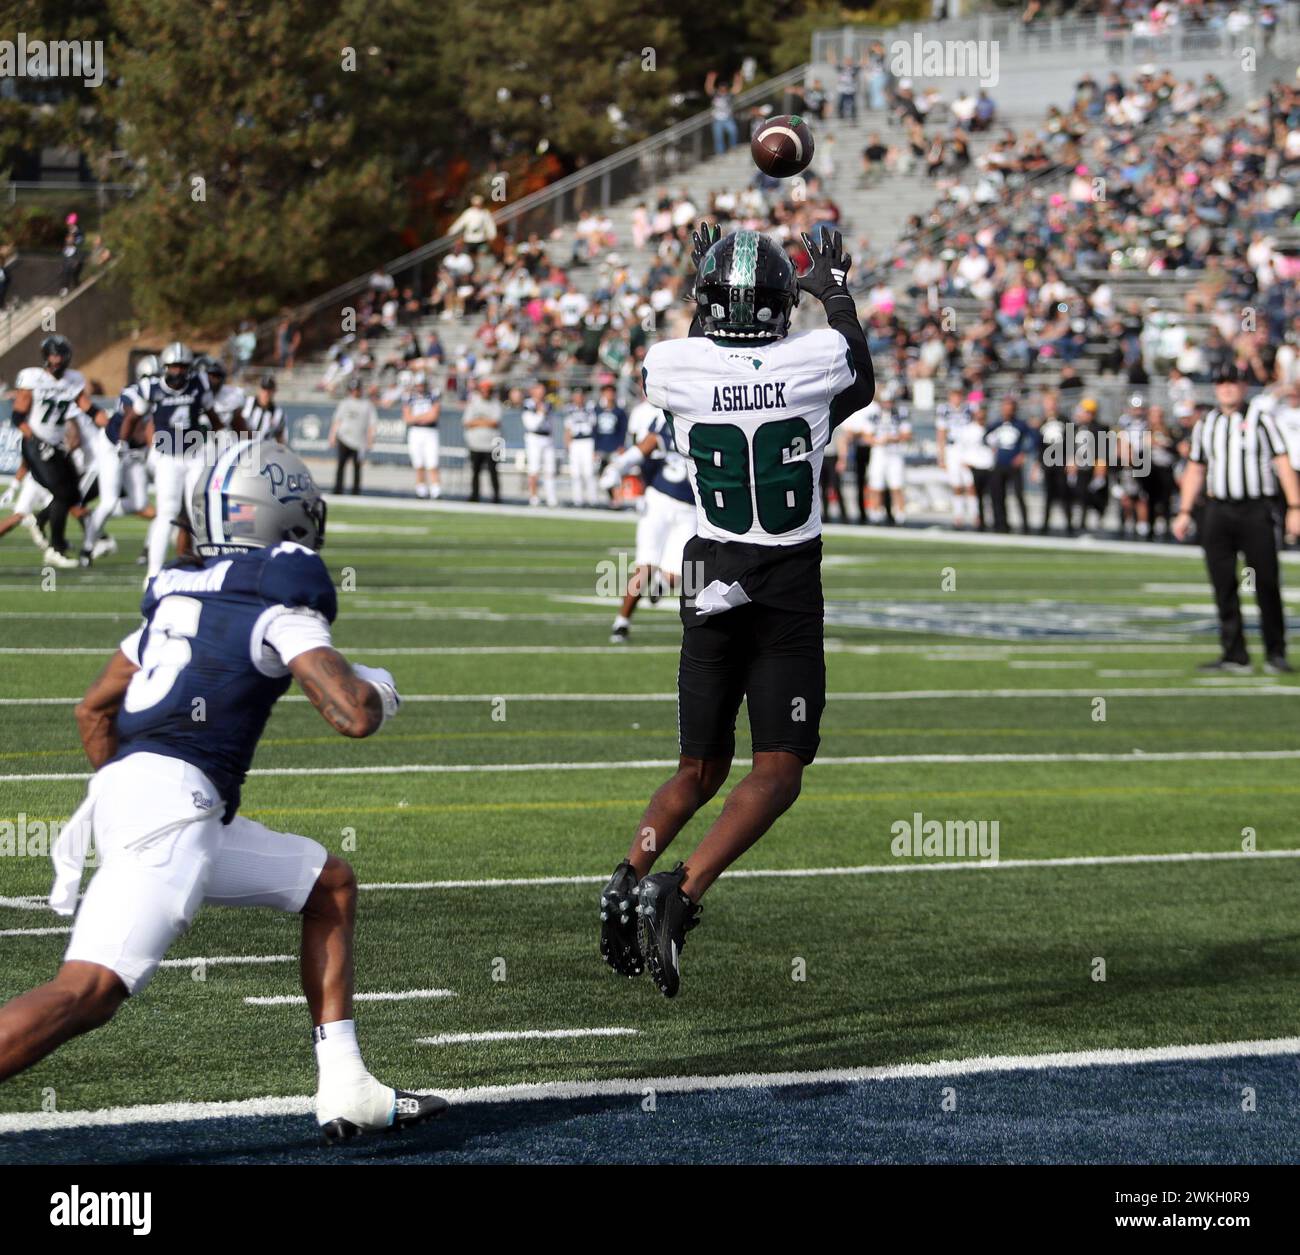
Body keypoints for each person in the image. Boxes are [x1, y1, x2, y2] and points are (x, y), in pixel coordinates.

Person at [0, 443, 448, 1140]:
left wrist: (134, 794)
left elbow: (93, 708)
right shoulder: (279, 603)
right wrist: (379, 691)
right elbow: (352, 714)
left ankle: (346, 1084)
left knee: (327, 884)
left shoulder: (179, 593)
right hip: (174, 808)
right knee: (85, 991)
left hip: (143, 792)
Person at [599, 225, 873, 997]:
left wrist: (708, 285)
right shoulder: (812, 359)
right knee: (778, 769)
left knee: (697, 767)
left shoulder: (670, 364)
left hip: (708, 571)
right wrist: (836, 285)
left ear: (705, 302)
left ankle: (628, 874)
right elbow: (860, 372)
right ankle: (680, 893)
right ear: (785, 303)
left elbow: (702, 358)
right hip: (783, 580)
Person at [1173, 365, 1300, 674]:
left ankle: (1275, 652)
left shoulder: (1261, 420)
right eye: (1221, 383)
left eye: (1233, 382)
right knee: (1223, 584)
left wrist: (1295, 506)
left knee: (1266, 582)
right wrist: (1185, 510)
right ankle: (1234, 654)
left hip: (1256, 510)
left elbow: (1282, 461)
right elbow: (1196, 468)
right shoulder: (1207, 423)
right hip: (1218, 511)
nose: (1227, 388)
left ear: (1244, 387)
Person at [10, 334, 103, 568]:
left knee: (74, 493)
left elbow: (89, 409)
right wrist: (36, 440)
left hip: (56, 445)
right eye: (53, 355)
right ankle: (56, 547)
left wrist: (112, 426)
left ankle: (41, 521)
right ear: (45, 356)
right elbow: (18, 417)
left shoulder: (73, 380)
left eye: (60, 355)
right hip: (35, 444)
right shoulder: (33, 378)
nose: (57, 360)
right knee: (63, 493)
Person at [330, 380, 377, 495]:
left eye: (357, 389)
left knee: (357, 467)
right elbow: (337, 420)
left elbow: (372, 424)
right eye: (353, 389)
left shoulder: (367, 405)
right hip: (344, 438)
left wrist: (370, 440)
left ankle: (356, 490)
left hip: (359, 441)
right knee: (341, 465)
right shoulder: (345, 403)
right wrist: (332, 436)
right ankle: (338, 489)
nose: (355, 392)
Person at [402, 373, 442, 499]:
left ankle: (435, 490)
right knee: (418, 462)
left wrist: (417, 418)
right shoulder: (410, 397)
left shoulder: (433, 396)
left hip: (430, 432)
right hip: (415, 432)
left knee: (432, 462)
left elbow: (434, 416)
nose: (420, 387)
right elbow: (407, 418)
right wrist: (424, 416)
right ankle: (421, 490)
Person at [463, 378, 502, 504]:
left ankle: (496, 496)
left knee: (494, 471)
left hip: (494, 444)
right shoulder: (473, 404)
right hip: (475, 443)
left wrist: (478, 421)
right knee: (475, 471)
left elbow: (495, 422)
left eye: (488, 390)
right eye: (484, 390)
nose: (486, 392)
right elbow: (467, 422)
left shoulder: (496, 404)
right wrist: (485, 422)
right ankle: (474, 495)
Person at [521, 381, 558, 508]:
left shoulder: (548, 404)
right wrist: (541, 413)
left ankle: (551, 498)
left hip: (547, 438)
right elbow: (532, 424)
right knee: (534, 468)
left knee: (550, 469)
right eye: (538, 389)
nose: (541, 392)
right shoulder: (528, 404)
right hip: (534, 438)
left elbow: (551, 423)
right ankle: (534, 497)